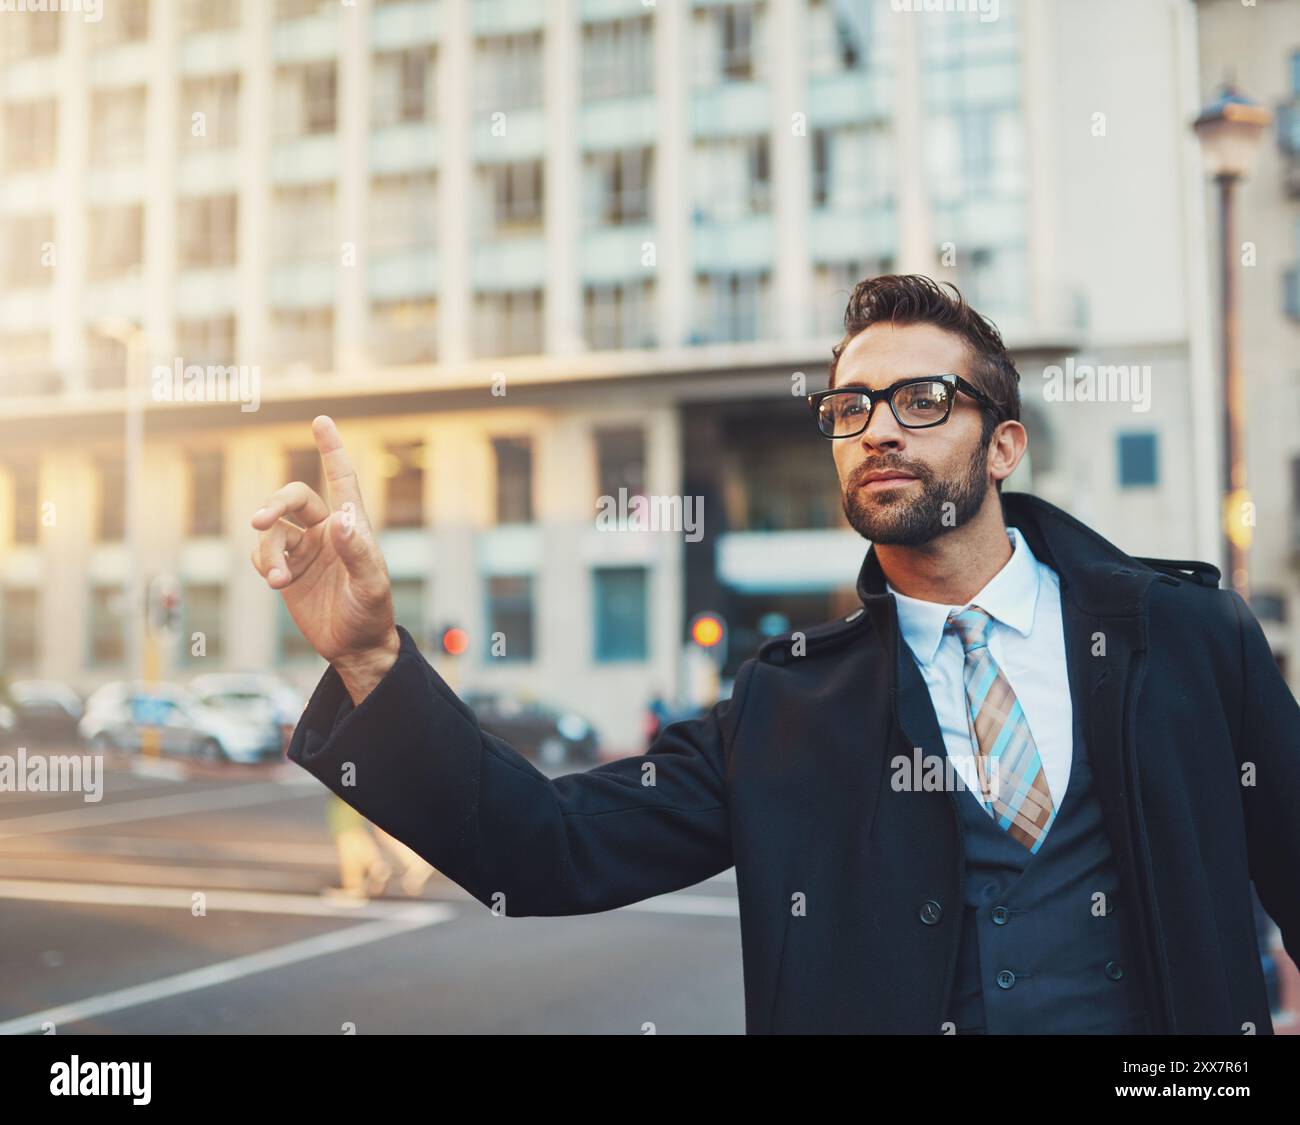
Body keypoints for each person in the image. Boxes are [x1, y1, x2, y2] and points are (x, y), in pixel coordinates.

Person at [250, 274, 1300, 1034]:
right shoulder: (786, 704)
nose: (878, 430)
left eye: (921, 401)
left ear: (1004, 443)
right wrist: (375, 662)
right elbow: (545, 851)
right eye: (849, 408)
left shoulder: (1186, 639)